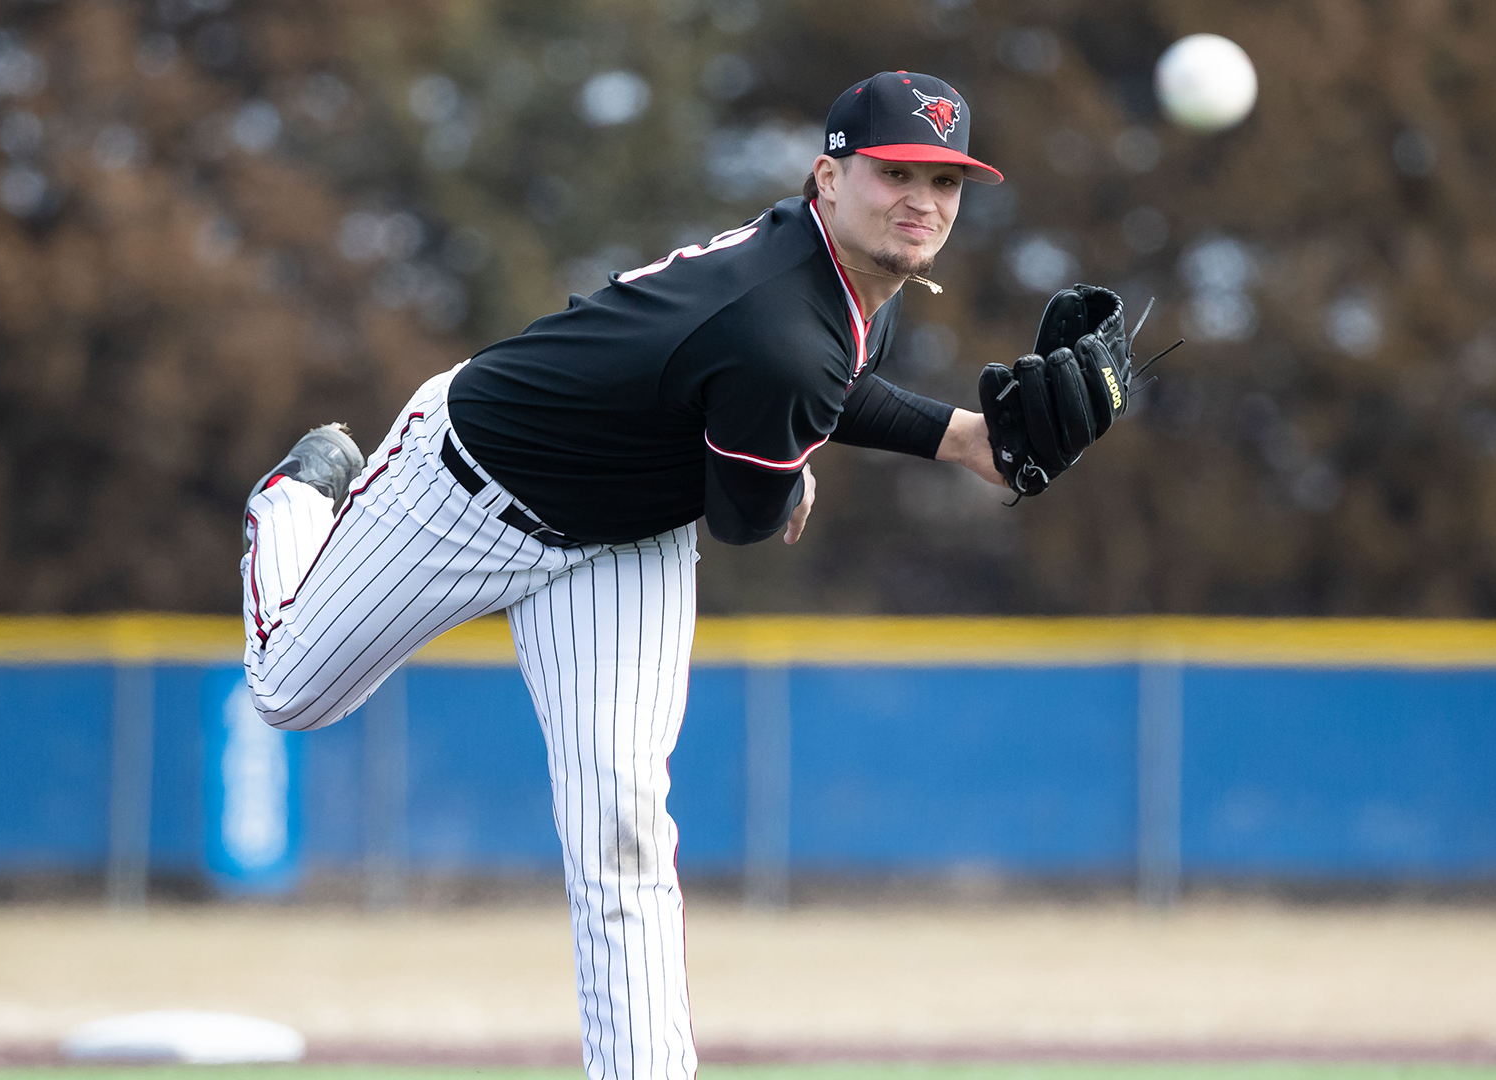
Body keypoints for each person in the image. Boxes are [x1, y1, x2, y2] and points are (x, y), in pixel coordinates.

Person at [240, 70, 1005, 1080]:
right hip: (467, 485)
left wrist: (966, 438)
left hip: (623, 539)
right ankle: (294, 499)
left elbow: (825, 386)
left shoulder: (851, 279)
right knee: (288, 693)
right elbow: (749, 509)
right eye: (895, 172)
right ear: (828, 177)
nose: (922, 202)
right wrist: (786, 462)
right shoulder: (783, 318)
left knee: (624, 832)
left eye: (946, 183)